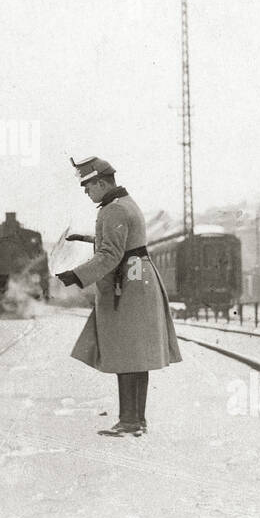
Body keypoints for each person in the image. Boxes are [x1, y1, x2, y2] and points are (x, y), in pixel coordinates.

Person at [56, 156, 181, 437]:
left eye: (88, 187)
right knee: (137, 353)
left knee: (126, 351)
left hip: (128, 283)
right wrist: (88, 239)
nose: (87, 192)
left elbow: (111, 254)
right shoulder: (126, 203)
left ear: (100, 183)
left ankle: (128, 421)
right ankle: (137, 419)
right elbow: (124, 244)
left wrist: (75, 275)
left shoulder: (111, 211)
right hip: (138, 277)